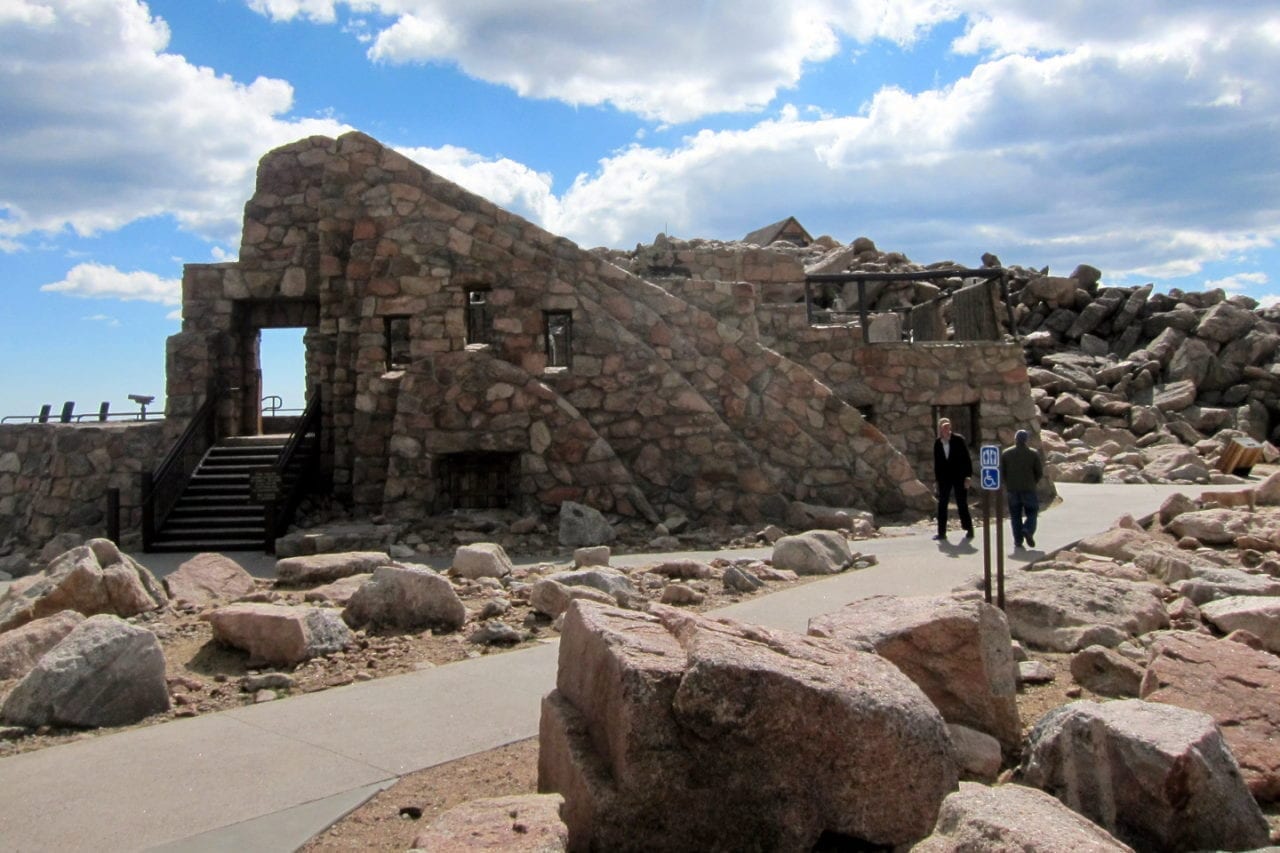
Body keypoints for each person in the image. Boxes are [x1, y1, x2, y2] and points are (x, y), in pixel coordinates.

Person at [1001, 429, 1044, 549]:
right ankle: (1028, 529)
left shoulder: (1006, 453)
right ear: (1026, 440)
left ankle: (1018, 541)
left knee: (1015, 516)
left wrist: (1008, 483)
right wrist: (1033, 482)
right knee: (1032, 512)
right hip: (1029, 488)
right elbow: (1039, 472)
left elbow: (1002, 472)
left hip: (1012, 489)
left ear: (1015, 439)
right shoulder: (1033, 453)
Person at [933, 418, 973, 541]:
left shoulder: (958, 440)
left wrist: (968, 476)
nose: (946, 429)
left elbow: (967, 459)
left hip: (959, 476)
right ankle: (941, 532)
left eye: (948, 427)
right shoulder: (938, 443)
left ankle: (969, 529)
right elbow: (937, 463)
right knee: (942, 504)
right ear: (940, 428)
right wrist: (937, 480)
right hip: (944, 478)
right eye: (944, 427)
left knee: (962, 503)